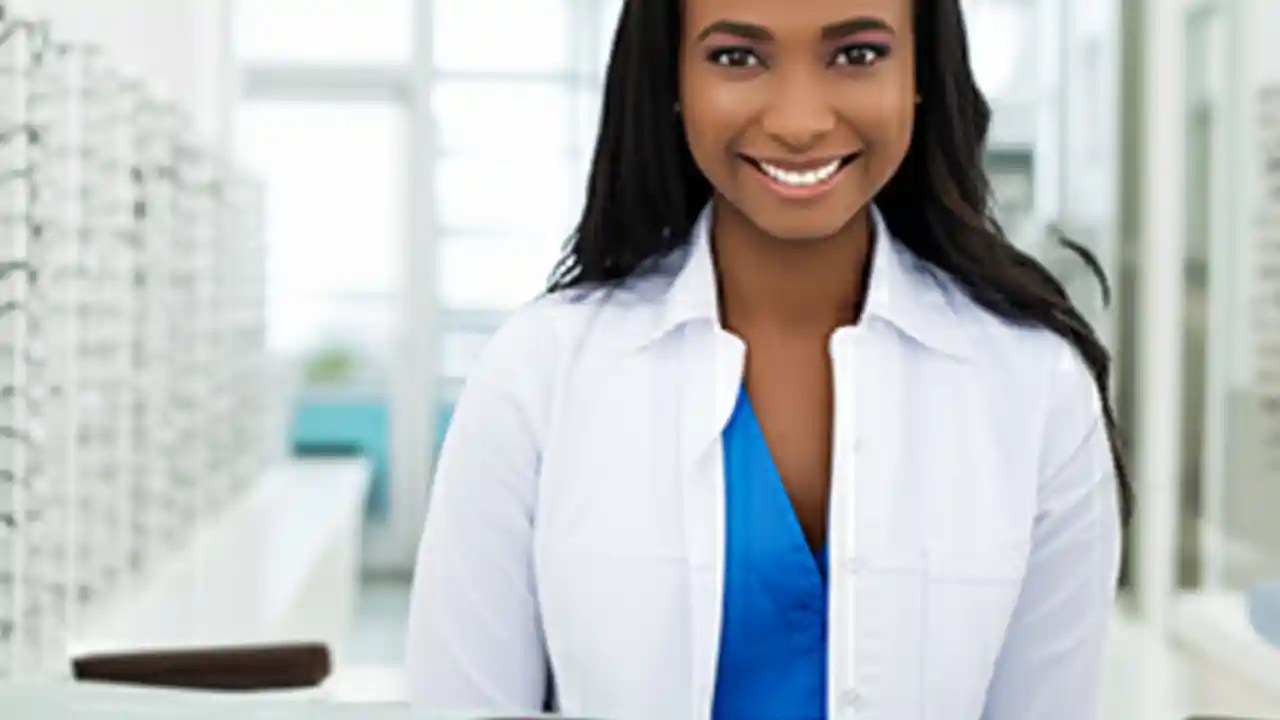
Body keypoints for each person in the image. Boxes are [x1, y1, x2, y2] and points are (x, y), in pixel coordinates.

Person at [406, 0, 1132, 718]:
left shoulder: (1035, 386)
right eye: (736, 57)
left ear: (921, 72)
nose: (798, 121)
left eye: (856, 55)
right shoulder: (539, 373)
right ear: (671, 83)